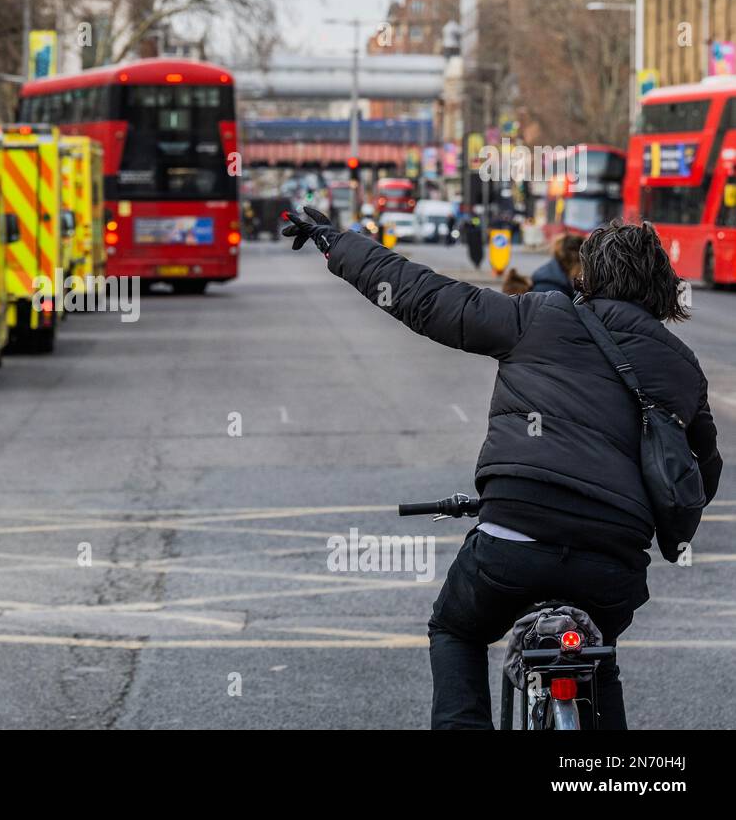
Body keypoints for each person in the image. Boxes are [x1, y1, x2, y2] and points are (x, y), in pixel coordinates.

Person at [284, 208, 721, 729]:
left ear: (590, 275)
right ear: (663, 286)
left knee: (456, 630)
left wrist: (337, 242)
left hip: (514, 534)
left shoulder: (538, 315)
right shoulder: (682, 366)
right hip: (611, 557)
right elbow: (704, 473)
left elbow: (424, 296)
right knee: (596, 656)